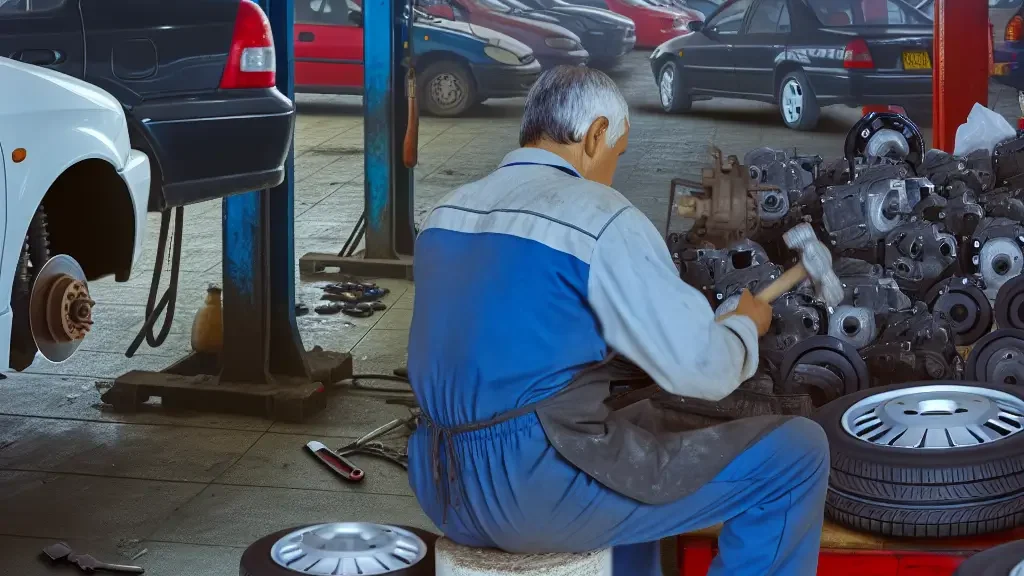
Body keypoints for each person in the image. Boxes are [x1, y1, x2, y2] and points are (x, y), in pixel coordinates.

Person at [406, 65, 829, 576]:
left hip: (441, 481)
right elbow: (701, 372)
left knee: (639, 425)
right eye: (617, 154)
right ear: (596, 135)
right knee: (796, 455)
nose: (612, 170)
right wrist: (743, 327)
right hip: (530, 491)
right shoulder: (597, 216)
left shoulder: (446, 214)